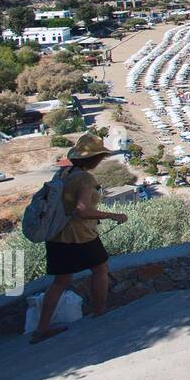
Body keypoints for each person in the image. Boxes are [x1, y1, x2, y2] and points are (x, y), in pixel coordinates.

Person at [31, 133, 128, 344]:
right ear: (95, 159)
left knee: (60, 281)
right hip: (80, 235)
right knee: (100, 268)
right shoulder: (85, 178)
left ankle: (42, 328)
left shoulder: (64, 173)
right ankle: (100, 311)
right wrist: (113, 215)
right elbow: (82, 211)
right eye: (100, 157)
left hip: (57, 235)